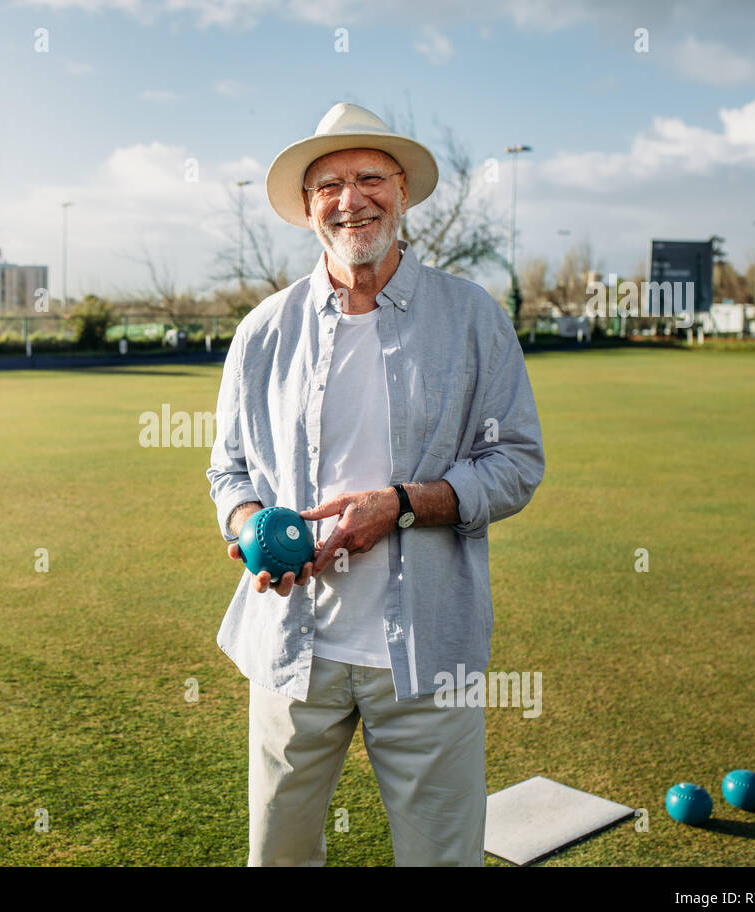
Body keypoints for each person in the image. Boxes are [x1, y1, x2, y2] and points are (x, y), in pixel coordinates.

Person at [206, 102, 545, 866]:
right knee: (280, 858)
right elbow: (226, 468)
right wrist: (249, 523)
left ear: (403, 192)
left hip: (429, 651)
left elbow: (517, 459)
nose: (350, 198)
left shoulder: (470, 317)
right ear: (306, 207)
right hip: (294, 651)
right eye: (329, 184)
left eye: (369, 178)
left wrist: (398, 507)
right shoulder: (263, 330)